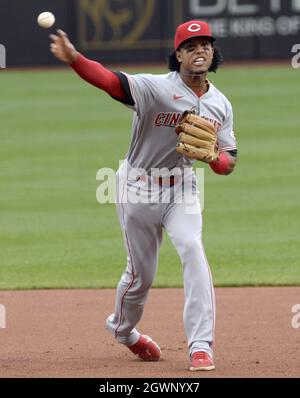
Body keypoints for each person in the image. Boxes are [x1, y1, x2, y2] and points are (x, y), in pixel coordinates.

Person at [50, 20, 237, 371]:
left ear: (213, 53)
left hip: (182, 187)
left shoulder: (220, 105)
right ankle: (123, 331)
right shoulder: (154, 88)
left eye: (206, 45)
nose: (200, 51)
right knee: (140, 276)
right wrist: (75, 58)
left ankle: (200, 345)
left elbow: (229, 163)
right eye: (191, 46)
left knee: (193, 250)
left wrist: (214, 158)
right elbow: (110, 81)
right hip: (137, 185)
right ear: (178, 54)